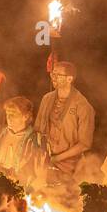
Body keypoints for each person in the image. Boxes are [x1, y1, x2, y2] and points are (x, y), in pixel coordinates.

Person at [34, 60, 96, 193]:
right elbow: (38, 131)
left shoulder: (83, 106)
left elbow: (85, 143)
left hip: (70, 168)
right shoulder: (47, 99)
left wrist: (57, 158)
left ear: (69, 79)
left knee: (64, 202)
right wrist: (42, 155)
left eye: (57, 75)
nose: (53, 78)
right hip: (45, 164)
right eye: (52, 74)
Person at [0, 96, 50, 196]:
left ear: (26, 116)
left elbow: (41, 179)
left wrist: (22, 194)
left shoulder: (37, 142)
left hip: (21, 200)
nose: (9, 118)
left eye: (14, 114)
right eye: (8, 114)